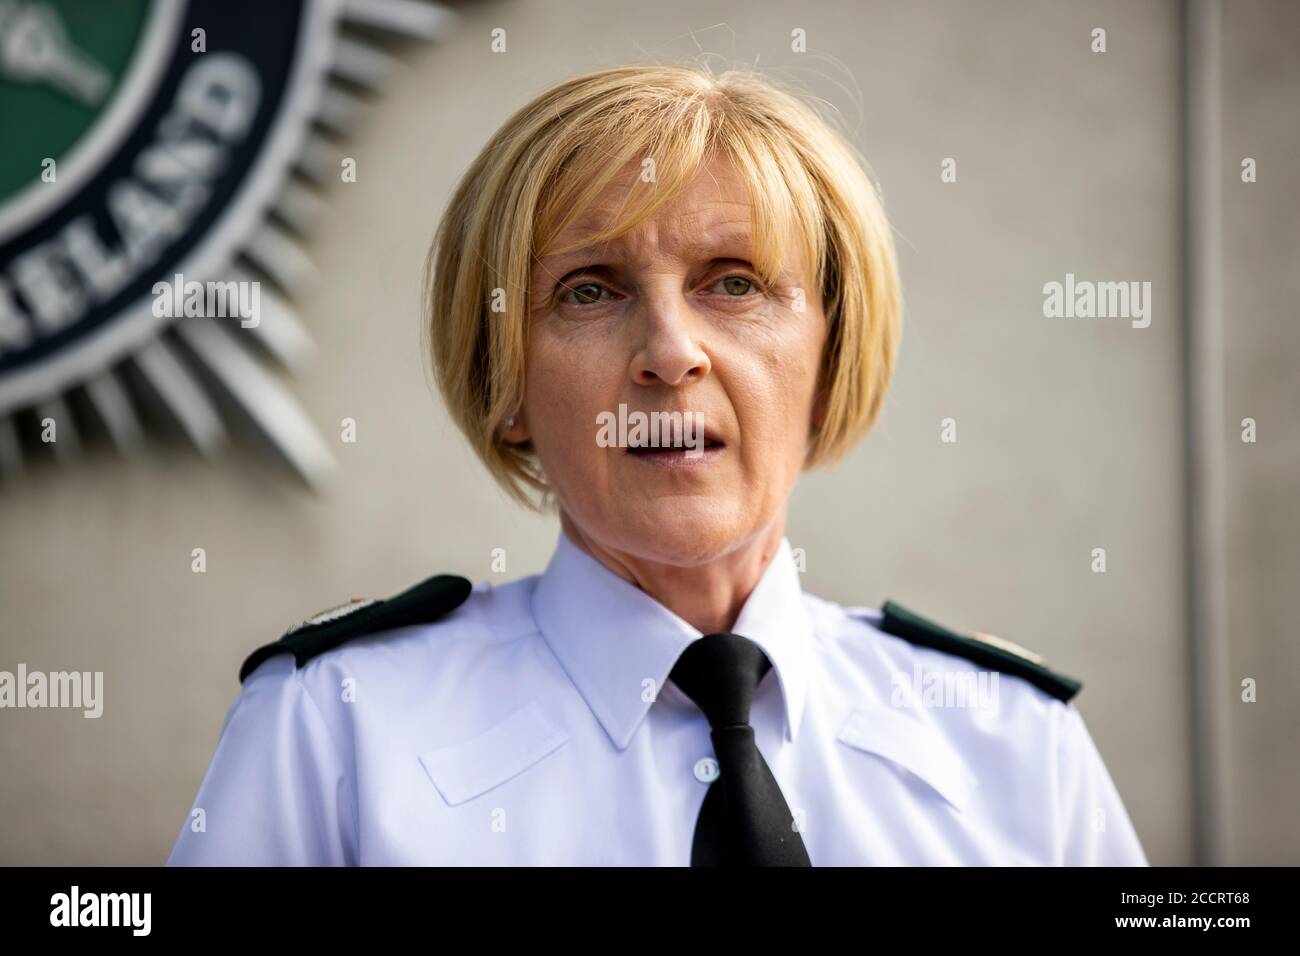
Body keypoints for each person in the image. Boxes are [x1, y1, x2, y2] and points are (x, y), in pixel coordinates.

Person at [167, 63, 1147, 866]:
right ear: (503, 377)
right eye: (590, 290)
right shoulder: (332, 732)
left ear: (829, 353)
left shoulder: (1013, 745)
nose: (670, 350)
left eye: (734, 283)